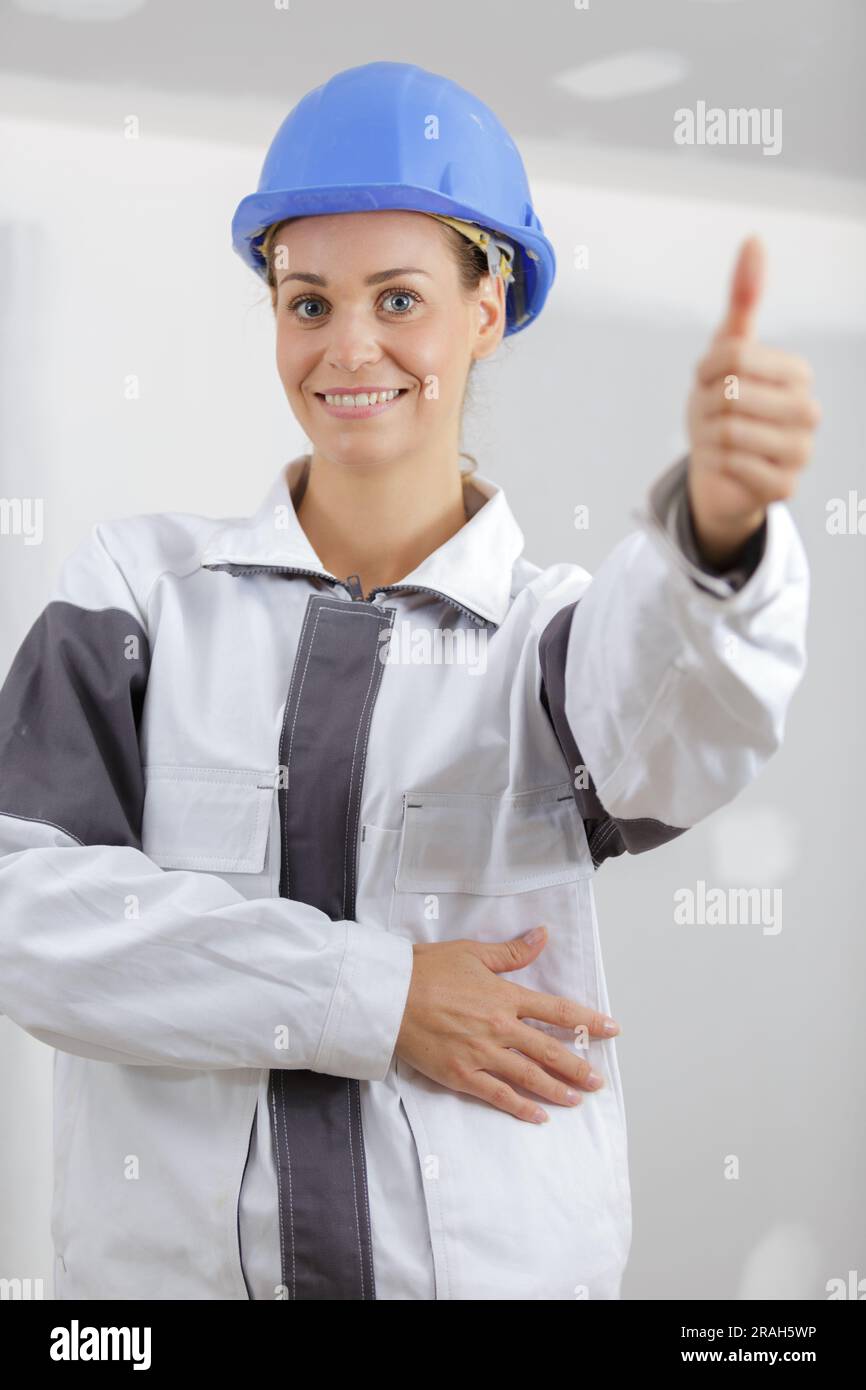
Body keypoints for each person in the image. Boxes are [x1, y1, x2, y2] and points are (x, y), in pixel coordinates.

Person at [0, 61, 819, 1301]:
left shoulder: (547, 645)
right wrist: (378, 997)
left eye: (399, 298)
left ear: (487, 306)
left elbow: (680, 720)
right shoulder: (140, 593)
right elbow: (28, 919)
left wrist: (714, 537)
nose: (348, 347)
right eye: (307, 301)